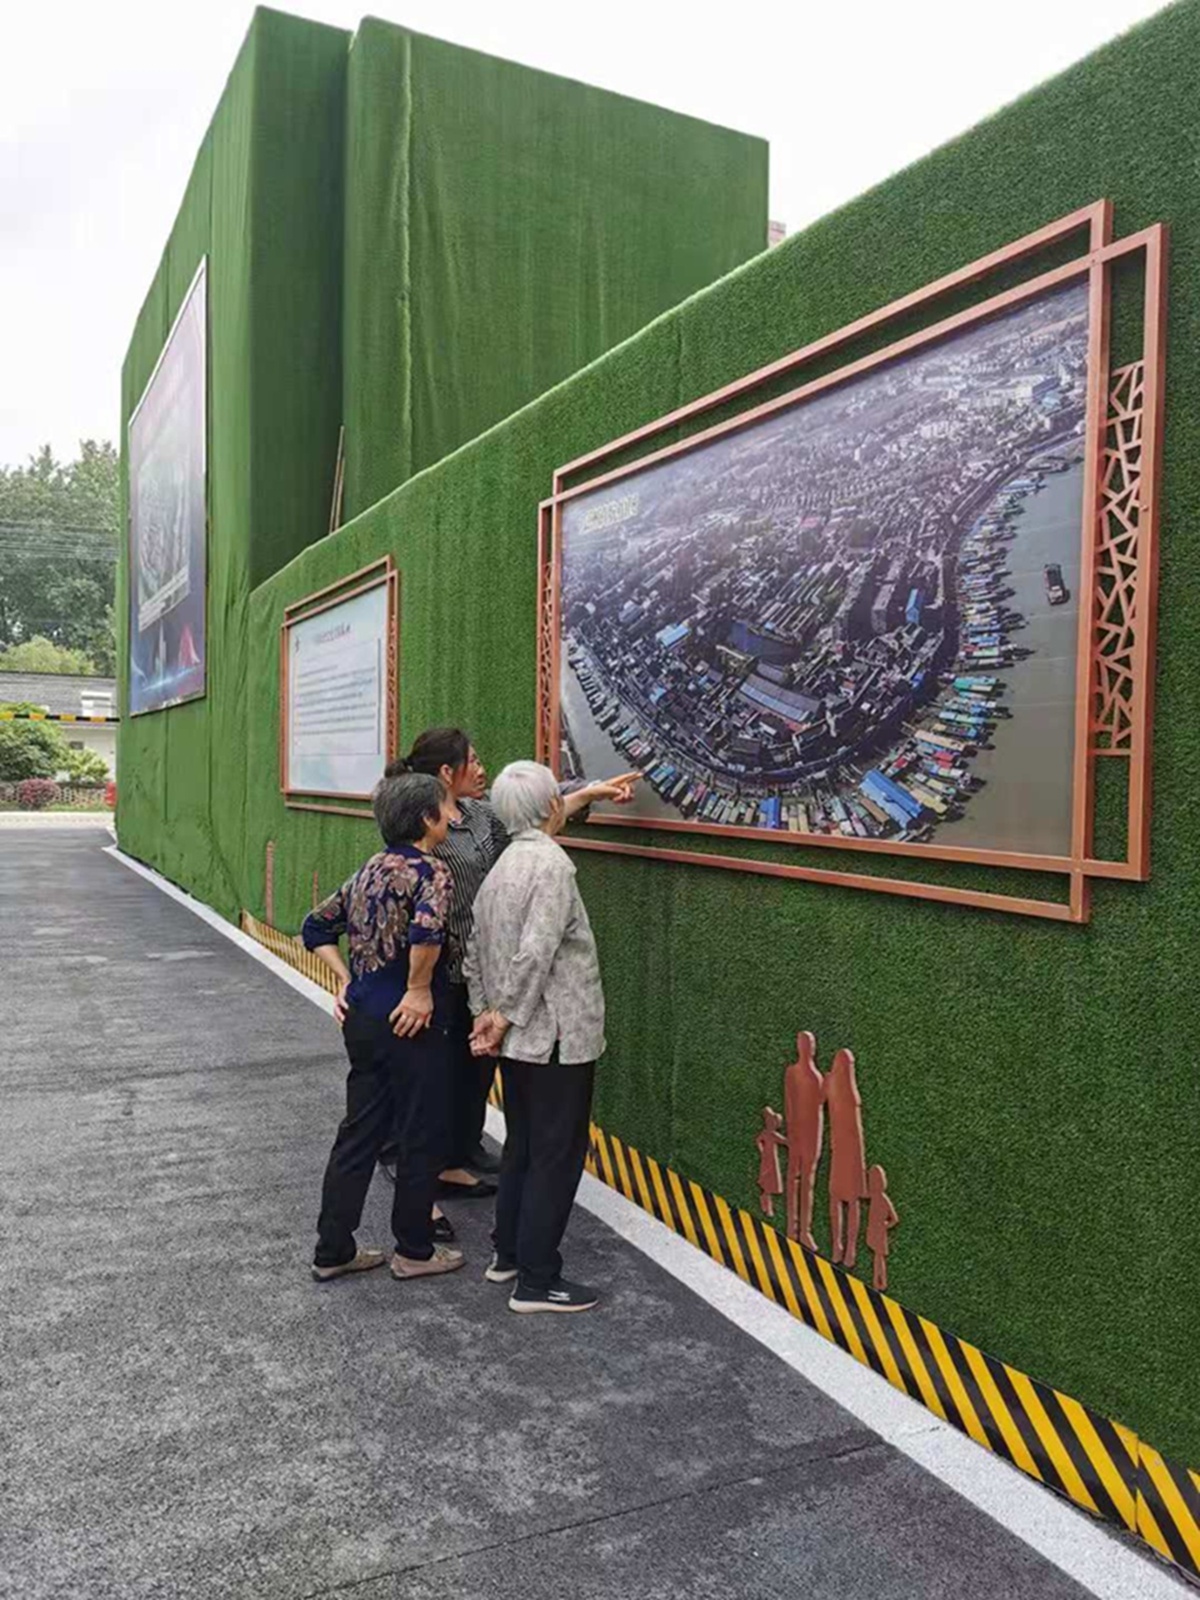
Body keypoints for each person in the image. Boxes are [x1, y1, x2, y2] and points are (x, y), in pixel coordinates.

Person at [376, 729, 636, 1210]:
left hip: (483, 973)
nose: (481, 770)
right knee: (434, 1083)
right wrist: (418, 985)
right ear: (446, 773)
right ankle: (418, 1195)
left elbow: (534, 817)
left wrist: (590, 793)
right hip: (440, 969)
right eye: (472, 761)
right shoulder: (423, 823)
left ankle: (456, 1158)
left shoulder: (481, 815)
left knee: (474, 1078)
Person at [304, 770, 464, 1283]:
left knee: (359, 1133)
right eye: (446, 808)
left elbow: (315, 926)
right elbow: (426, 931)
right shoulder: (432, 871)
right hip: (412, 1020)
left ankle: (333, 1249)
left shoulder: (369, 869)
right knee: (419, 1132)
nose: (452, 815)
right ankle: (414, 1250)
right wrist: (418, 990)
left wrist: (348, 979)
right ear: (428, 819)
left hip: (364, 1016)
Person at [465, 761, 606, 1313]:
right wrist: (501, 1017)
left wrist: (485, 1014)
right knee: (556, 1154)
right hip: (554, 1035)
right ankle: (538, 1279)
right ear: (552, 807)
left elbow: (475, 949)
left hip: (519, 1039)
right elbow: (537, 952)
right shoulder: (551, 865)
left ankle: (508, 1255)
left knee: (522, 1145)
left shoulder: (501, 867)